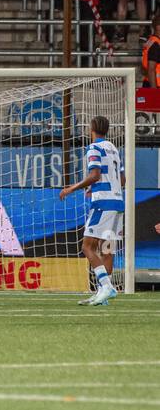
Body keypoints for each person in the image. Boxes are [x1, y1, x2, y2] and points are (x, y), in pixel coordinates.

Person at [60, 116, 123, 306]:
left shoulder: (94, 148)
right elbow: (123, 179)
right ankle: (102, 295)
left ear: (92, 128)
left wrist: (72, 188)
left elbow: (94, 175)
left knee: (87, 246)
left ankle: (106, 287)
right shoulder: (113, 148)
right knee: (107, 249)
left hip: (103, 204)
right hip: (117, 203)